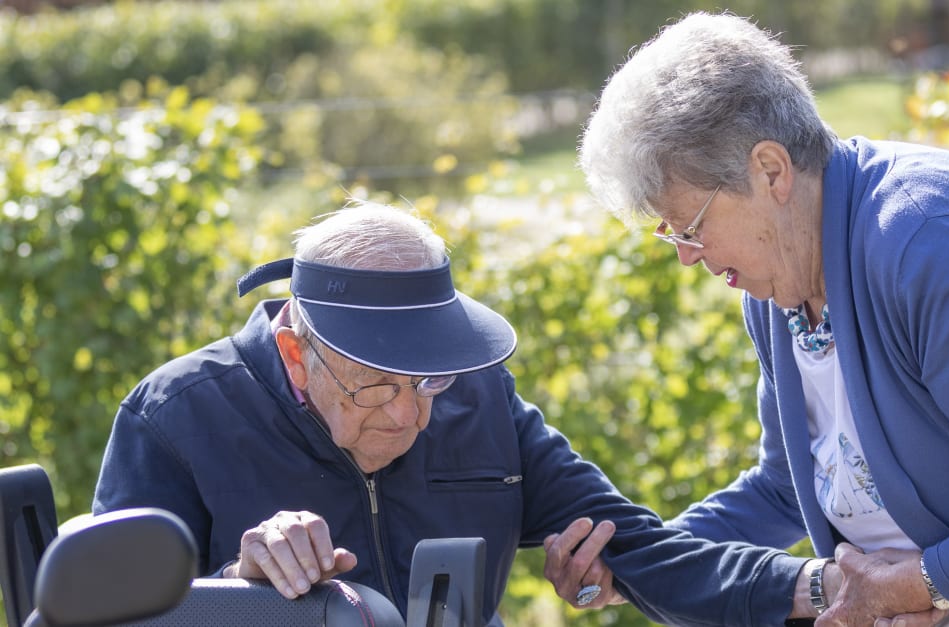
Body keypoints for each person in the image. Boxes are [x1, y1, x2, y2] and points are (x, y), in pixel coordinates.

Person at [550, 11, 949, 627]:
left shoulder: (921, 248)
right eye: (669, 235)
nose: (688, 257)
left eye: (690, 226)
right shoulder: (777, 285)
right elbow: (788, 485)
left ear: (771, 170)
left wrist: (923, 579)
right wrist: (639, 561)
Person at [92, 199, 827, 626]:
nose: (413, 414)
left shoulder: (475, 396)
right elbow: (108, 610)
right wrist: (234, 588)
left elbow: (637, 546)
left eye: (428, 379)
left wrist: (817, 589)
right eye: (377, 385)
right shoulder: (177, 418)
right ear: (293, 350)